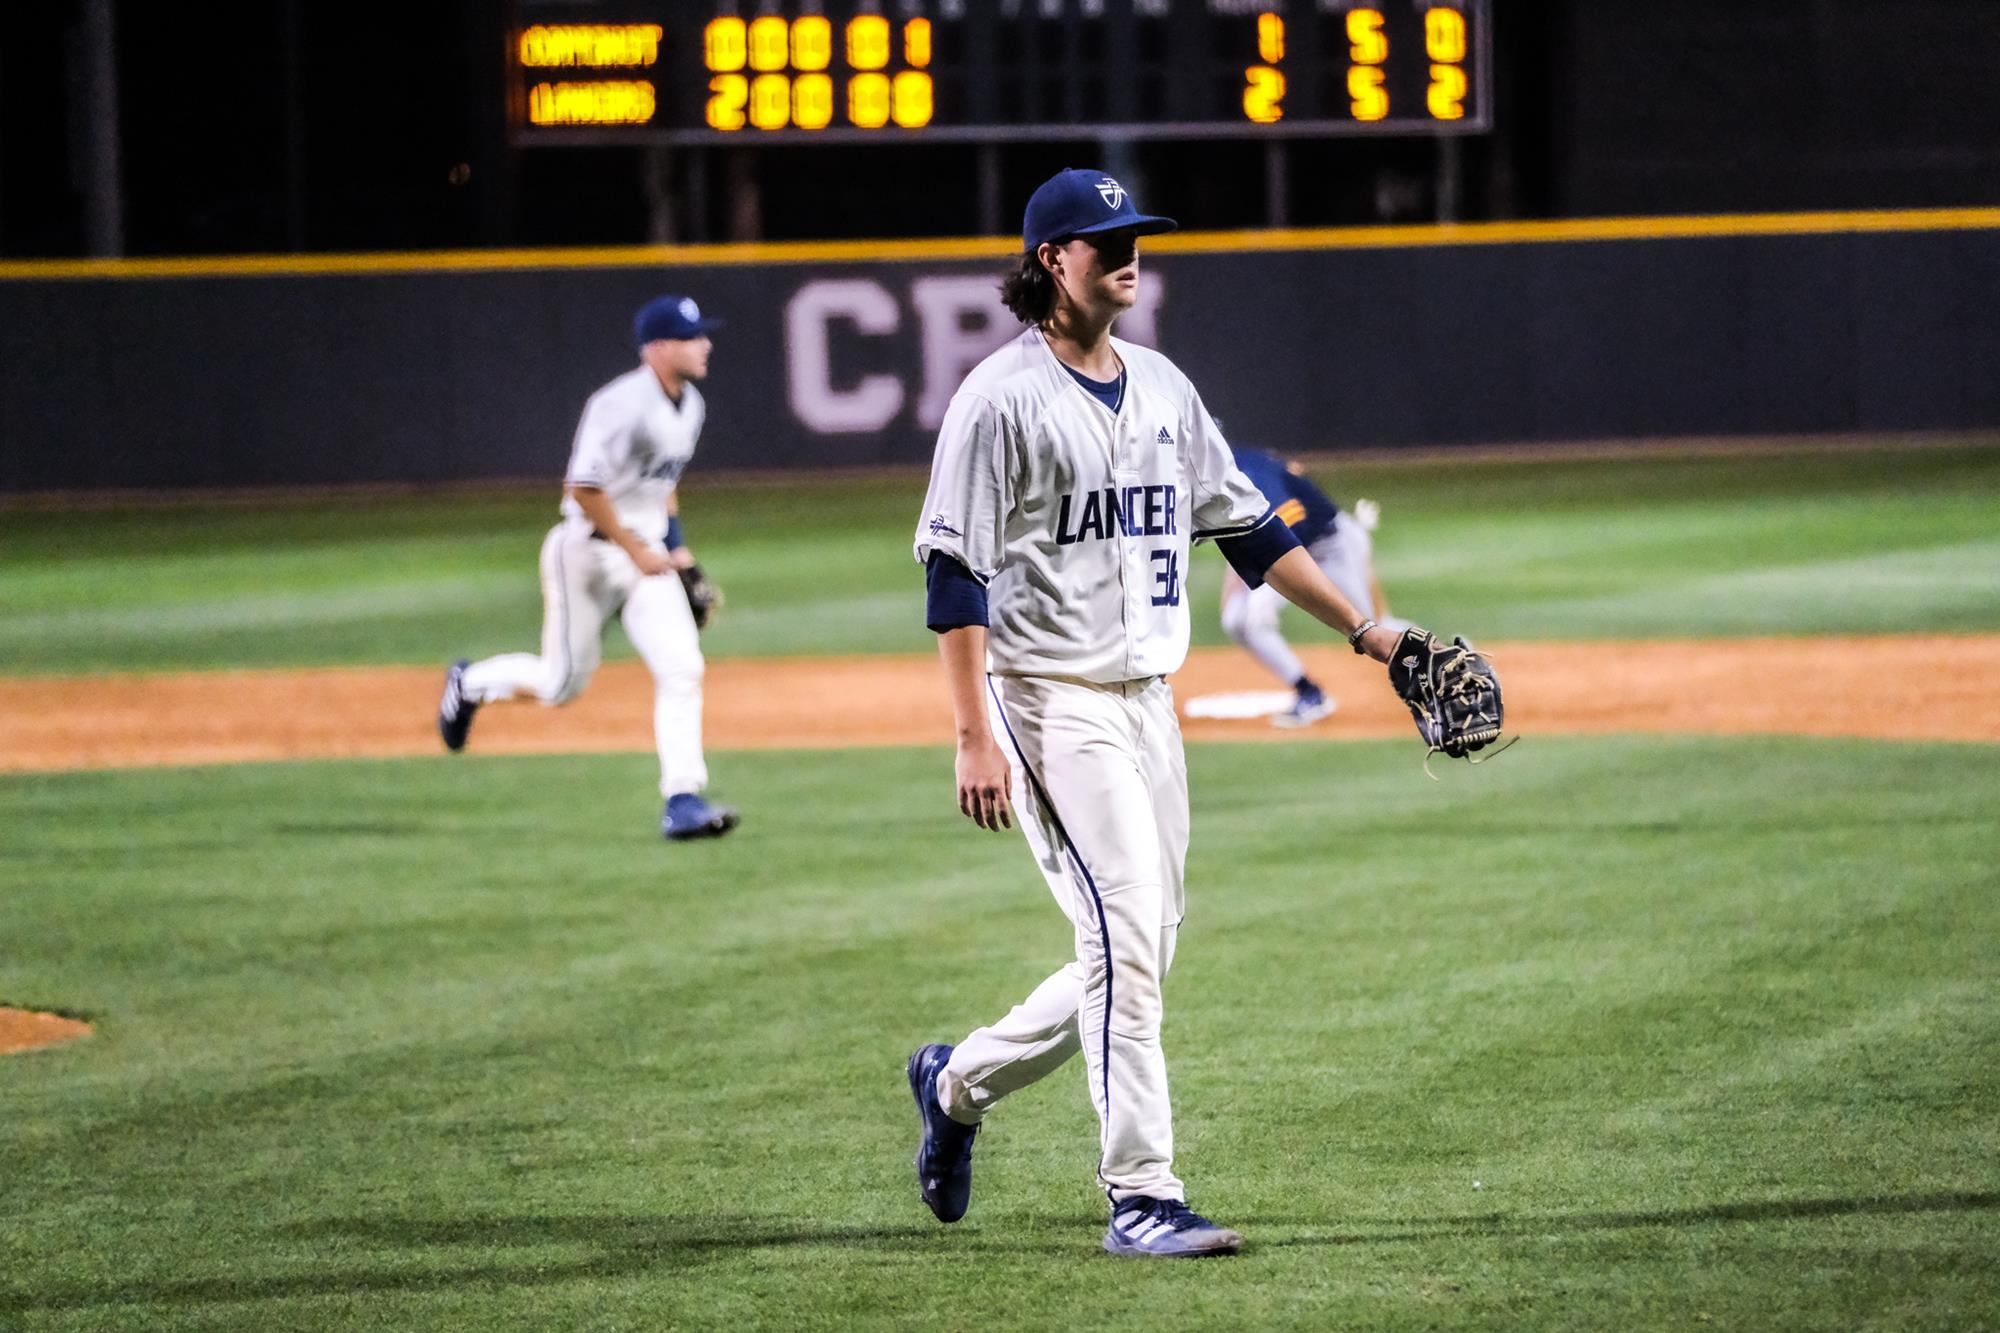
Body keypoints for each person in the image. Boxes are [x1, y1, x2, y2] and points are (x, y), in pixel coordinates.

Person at [906, 168, 1410, 1259]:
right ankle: (1141, 1193)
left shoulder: (1165, 388)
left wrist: (1366, 632)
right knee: (1124, 939)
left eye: (1134, 234)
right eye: (1105, 239)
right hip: (1046, 700)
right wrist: (969, 732)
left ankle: (955, 1084)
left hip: (1147, 701)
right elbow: (954, 573)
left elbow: (1251, 534)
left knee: (1137, 948)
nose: (1129, 252)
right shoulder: (996, 399)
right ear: (1052, 261)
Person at [436, 295, 739, 842]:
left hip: (644, 556)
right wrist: (633, 546)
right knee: (561, 684)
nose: (706, 344)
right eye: (694, 336)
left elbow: (662, 486)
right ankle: (470, 683)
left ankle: (683, 800)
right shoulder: (618, 404)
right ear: (660, 347)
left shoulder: (690, 405)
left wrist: (680, 553)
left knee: (683, 669)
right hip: (585, 550)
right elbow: (583, 487)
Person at [1219, 445, 1408, 727]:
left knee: (1374, 627)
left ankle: (1448, 660)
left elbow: (1291, 521)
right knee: (1238, 619)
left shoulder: (1244, 469)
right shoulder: (1213, 471)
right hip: (1293, 547)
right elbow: (1240, 533)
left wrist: (1262, 592)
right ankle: (1310, 693)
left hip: (1330, 546)